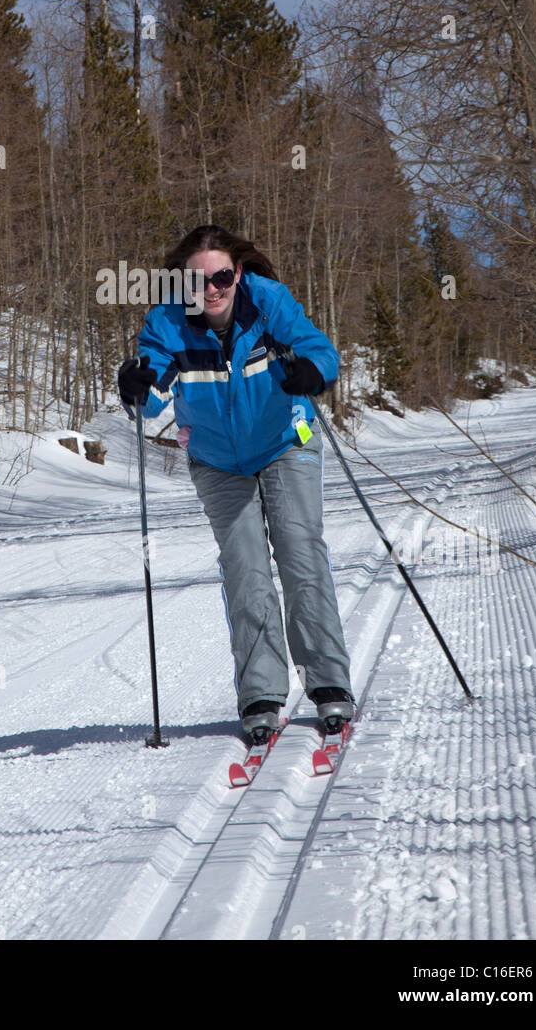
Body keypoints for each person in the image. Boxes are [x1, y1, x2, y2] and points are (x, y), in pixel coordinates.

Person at [117, 224, 354, 743]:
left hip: (286, 442)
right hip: (218, 459)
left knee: (299, 551)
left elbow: (321, 351)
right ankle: (260, 693)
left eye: (222, 276)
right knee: (245, 567)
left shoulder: (268, 303)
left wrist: (311, 373)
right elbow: (152, 391)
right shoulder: (167, 323)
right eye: (198, 281)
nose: (212, 289)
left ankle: (329, 683)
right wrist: (134, 387)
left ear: (238, 272)